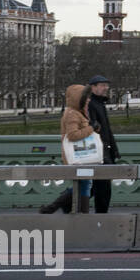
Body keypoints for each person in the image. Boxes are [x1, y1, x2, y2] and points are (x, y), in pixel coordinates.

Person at [40, 84, 95, 214]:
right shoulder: (72, 114)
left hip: (81, 154)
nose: (89, 100)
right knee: (86, 184)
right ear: (78, 99)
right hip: (77, 155)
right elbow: (73, 135)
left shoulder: (77, 112)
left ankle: (59, 207)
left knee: (84, 184)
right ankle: (76, 211)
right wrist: (91, 128)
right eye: (86, 97)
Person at [85, 75, 120, 213]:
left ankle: (66, 201)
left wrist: (114, 150)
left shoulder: (99, 103)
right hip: (99, 151)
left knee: (96, 186)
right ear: (93, 87)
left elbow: (107, 130)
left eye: (107, 85)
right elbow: (95, 128)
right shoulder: (91, 104)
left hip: (105, 150)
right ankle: (101, 215)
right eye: (102, 85)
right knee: (102, 186)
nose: (106, 88)